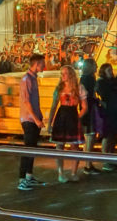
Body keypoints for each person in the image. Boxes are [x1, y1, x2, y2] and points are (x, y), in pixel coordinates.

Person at [48, 64, 88, 182]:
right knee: (59, 145)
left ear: (70, 75)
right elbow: (54, 106)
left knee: (74, 146)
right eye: (62, 74)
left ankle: (74, 172)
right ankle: (60, 172)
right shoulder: (59, 88)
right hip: (61, 116)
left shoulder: (78, 87)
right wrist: (50, 122)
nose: (62, 76)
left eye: (65, 73)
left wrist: (77, 117)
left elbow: (85, 107)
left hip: (72, 116)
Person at [18, 54, 46, 190]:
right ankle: (22, 179)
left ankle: (29, 176)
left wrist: (39, 117)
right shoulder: (26, 79)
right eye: (42, 63)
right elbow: (26, 101)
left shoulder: (33, 78)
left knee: (32, 148)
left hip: (34, 119)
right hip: (29, 120)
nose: (44, 66)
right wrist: (35, 119)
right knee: (28, 149)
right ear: (36, 64)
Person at [97, 62, 117, 170]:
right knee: (107, 136)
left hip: (115, 111)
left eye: (111, 70)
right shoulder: (101, 82)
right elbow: (105, 94)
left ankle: (111, 158)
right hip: (107, 112)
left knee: (113, 136)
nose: (111, 72)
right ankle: (105, 160)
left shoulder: (112, 81)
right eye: (108, 70)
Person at [79, 58, 102, 174]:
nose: (96, 68)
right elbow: (89, 95)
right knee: (90, 136)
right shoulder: (89, 79)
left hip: (87, 108)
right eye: (95, 66)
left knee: (89, 136)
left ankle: (88, 162)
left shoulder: (85, 78)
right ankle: (88, 165)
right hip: (89, 109)